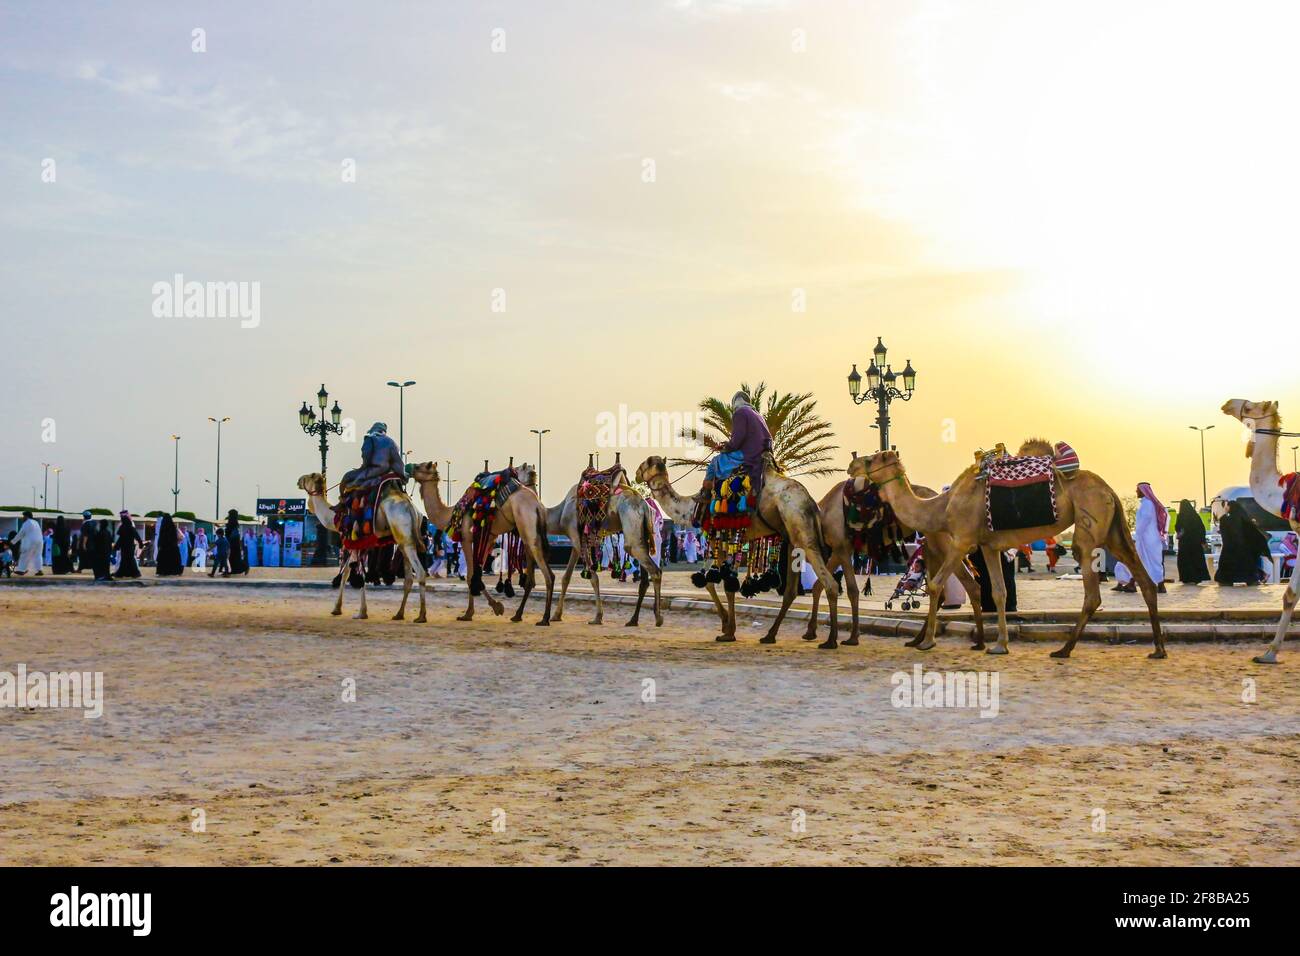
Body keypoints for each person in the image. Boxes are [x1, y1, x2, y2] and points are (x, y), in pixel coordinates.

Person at [704, 392, 774, 491]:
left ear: (734, 403)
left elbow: (738, 439)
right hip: (764, 452)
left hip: (750, 453)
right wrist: (728, 445)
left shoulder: (740, 412)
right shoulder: (757, 415)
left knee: (714, 462)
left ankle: (705, 493)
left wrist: (726, 448)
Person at [1114, 482, 1167, 594]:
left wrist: (1135, 536)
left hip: (1147, 539)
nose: (1136, 492)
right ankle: (1132, 583)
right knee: (1141, 562)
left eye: (1137, 490)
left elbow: (1144, 521)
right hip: (1147, 539)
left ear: (1143, 491)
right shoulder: (1147, 504)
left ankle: (1135, 583)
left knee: (1142, 562)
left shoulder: (1147, 504)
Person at [1215, 500, 1270, 586]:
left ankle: (1227, 581)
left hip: (1229, 551)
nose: (1226, 508)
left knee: (1226, 575)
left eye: (1227, 506)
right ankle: (1253, 580)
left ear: (1230, 507)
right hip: (1244, 551)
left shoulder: (1224, 519)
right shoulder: (1245, 519)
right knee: (1247, 570)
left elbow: (1225, 535)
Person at [341, 422, 404, 489]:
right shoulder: (392, 442)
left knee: (347, 477)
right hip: (390, 471)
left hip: (374, 470)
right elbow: (398, 461)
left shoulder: (370, 438)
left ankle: (345, 496)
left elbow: (366, 454)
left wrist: (364, 466)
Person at [1174, 499, 1210, 584]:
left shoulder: (1180, 516)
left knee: (1185, 561)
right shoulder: (1195, 516)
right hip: (1195, 543)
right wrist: (1202, 540)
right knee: (1196, 560)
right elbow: (1201, 528)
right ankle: (1197, 578)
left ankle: (1186, 578)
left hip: (1184, 544)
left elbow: (1177, 527)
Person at [14, 511, 44, 576]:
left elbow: (21, 533)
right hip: (40, 541)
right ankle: (39, 570)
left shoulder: (27, 523)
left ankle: (21, 570)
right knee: (38, 556)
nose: (23, 518)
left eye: (24, 516)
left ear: (27, 516)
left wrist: (12, 541)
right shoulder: (36, 522)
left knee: (24, 555)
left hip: (31, 541)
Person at [113, 511, 142, 578]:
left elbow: (120, 539)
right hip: (131, 547)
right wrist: (140, 544)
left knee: (124, 560)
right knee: (130, 560)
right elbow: (137, 536)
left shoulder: (122, 528)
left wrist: (116, 546)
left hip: (124, 547)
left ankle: (123, 573)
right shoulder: (131, 528)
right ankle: (134, 573)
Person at [225, 511, 248, 575]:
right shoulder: (234, 523)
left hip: (233, 543)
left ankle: (245, 567)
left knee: (234, 557)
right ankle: (234, 570)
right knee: (233, 557)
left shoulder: (232, 523)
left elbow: (232, 534)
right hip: (234, 542)